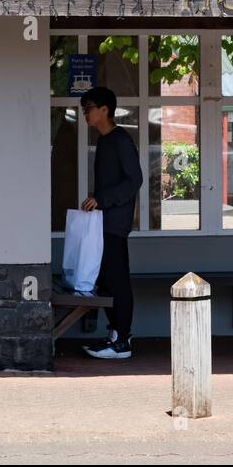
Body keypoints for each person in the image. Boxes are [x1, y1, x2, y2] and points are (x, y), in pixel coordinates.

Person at [79, 86, 144, 360]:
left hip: (115, 225)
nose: (85, 114)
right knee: (104, 280)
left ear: (105, 109)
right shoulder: (104, 141)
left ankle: (122, 340)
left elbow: (135, 180)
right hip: (102, 223)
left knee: (117, 281)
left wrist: (103, 200)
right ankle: (115, 335)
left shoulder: (120, 140)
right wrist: (97, 201)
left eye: (89, 108)